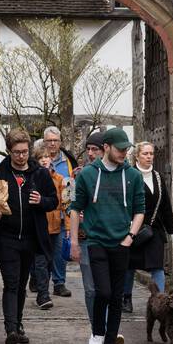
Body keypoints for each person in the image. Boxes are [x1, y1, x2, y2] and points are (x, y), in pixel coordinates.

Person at [69, 127, 145, 344]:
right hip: (96, 241)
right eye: (120, 149)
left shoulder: (132, 175)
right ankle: (97, 336)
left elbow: (139, 210)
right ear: (106, 148)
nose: (124, 153)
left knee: (116, 296)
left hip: (122, 242)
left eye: (126, 149)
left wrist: (130, 236)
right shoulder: (88, 174)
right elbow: (74, 208)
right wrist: (73, 242)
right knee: (102, 292)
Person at [0, 129, 58, 344]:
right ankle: (10, 329)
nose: (21, 156)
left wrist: (41, 200)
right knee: (10, 283)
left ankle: (18, 325)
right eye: (17, 152)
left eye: (24, 152)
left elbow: (54, 201)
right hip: (7, 238)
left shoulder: (39, 173)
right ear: (9, 151)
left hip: (30, 238)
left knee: (21, 285)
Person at [124, 141, 173, 312]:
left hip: (154, 230)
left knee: (157, 267)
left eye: (151, 154)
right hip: (133, 229)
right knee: (129, 266)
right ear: (137, 156)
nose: (149, 157)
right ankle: (126, 299)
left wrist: (172, 230)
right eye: (145, 153)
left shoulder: (158, 177)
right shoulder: (129, 175)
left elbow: (165, 205)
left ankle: (160, 301)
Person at [32, 125, 77, 302]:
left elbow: (70, 194)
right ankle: (38, 281)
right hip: (41, 216)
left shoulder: (68, 162)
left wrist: (70, 221)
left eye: (55, 140)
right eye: (48, 140)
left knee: (59, 252)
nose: (52, 144)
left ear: (60, 142)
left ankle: (59, 283)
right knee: (40, 255)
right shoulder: (35, 163)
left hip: (60, 213)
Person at [74, 130, 106, 317]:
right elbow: (69, 203)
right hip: (86, 237)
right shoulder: (80, 174)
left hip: (107, 236)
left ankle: (107, 328)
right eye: (89, 149)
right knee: (90, 289)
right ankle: (96, 329)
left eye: (96, 149)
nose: (91, 153)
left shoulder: (116, 174)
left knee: (106, 289)